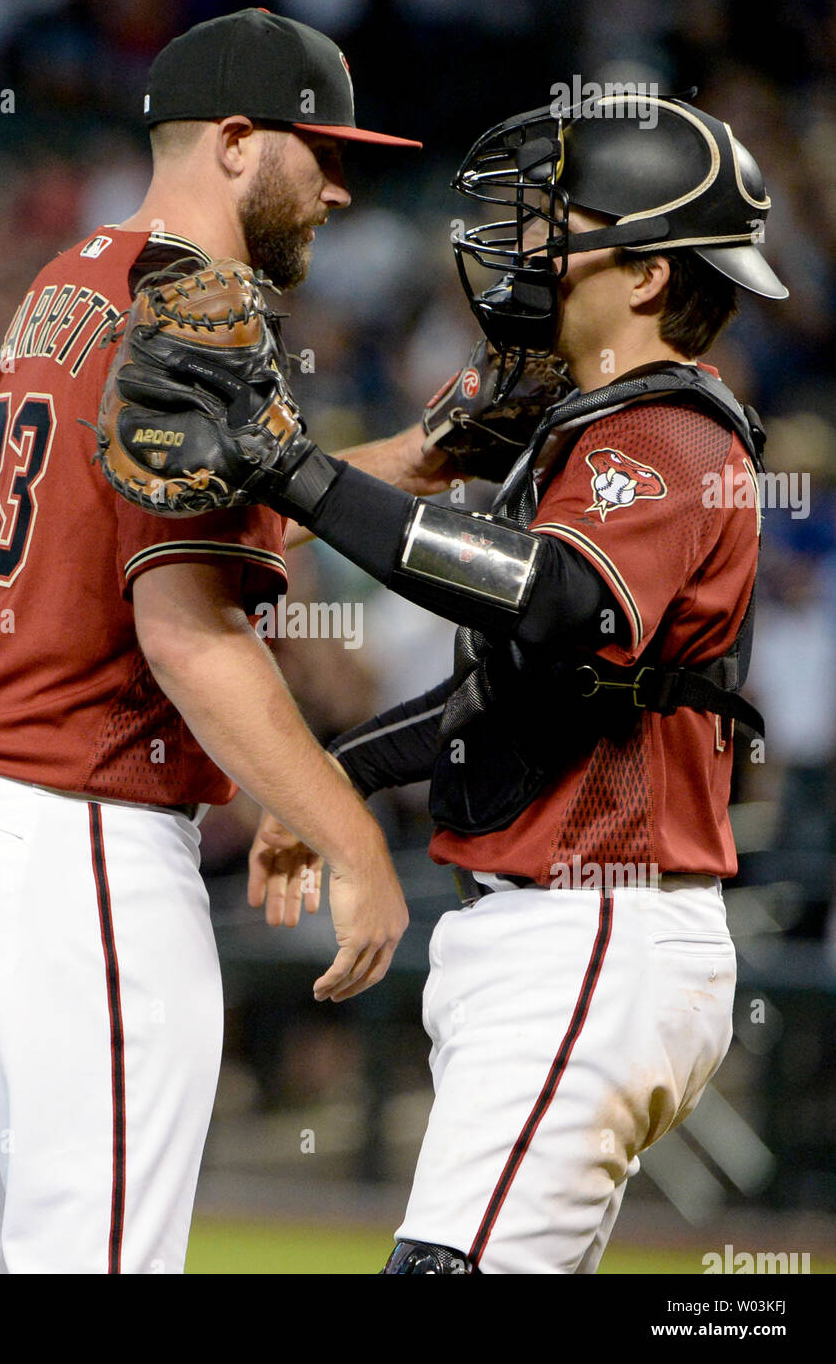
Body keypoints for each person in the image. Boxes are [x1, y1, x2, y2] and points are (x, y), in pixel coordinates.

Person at [0, 8, 445, 1276]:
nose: (339, 187)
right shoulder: (206, 307)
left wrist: (402, 468)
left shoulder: (77, 275)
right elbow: (186, 631)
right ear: (236, 141)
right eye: (315, 149)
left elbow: (158, 530)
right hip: (63, 835)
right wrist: (349, 837)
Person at [221, 93, 787, 1272]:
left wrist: (301, 473)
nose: (525, 244)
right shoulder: (602, 431)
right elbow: (522, 689)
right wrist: (336, 777)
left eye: (562, 221)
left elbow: (551, 598)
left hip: (594, 929)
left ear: (643, 276)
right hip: (568, 933)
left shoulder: (669, 433)